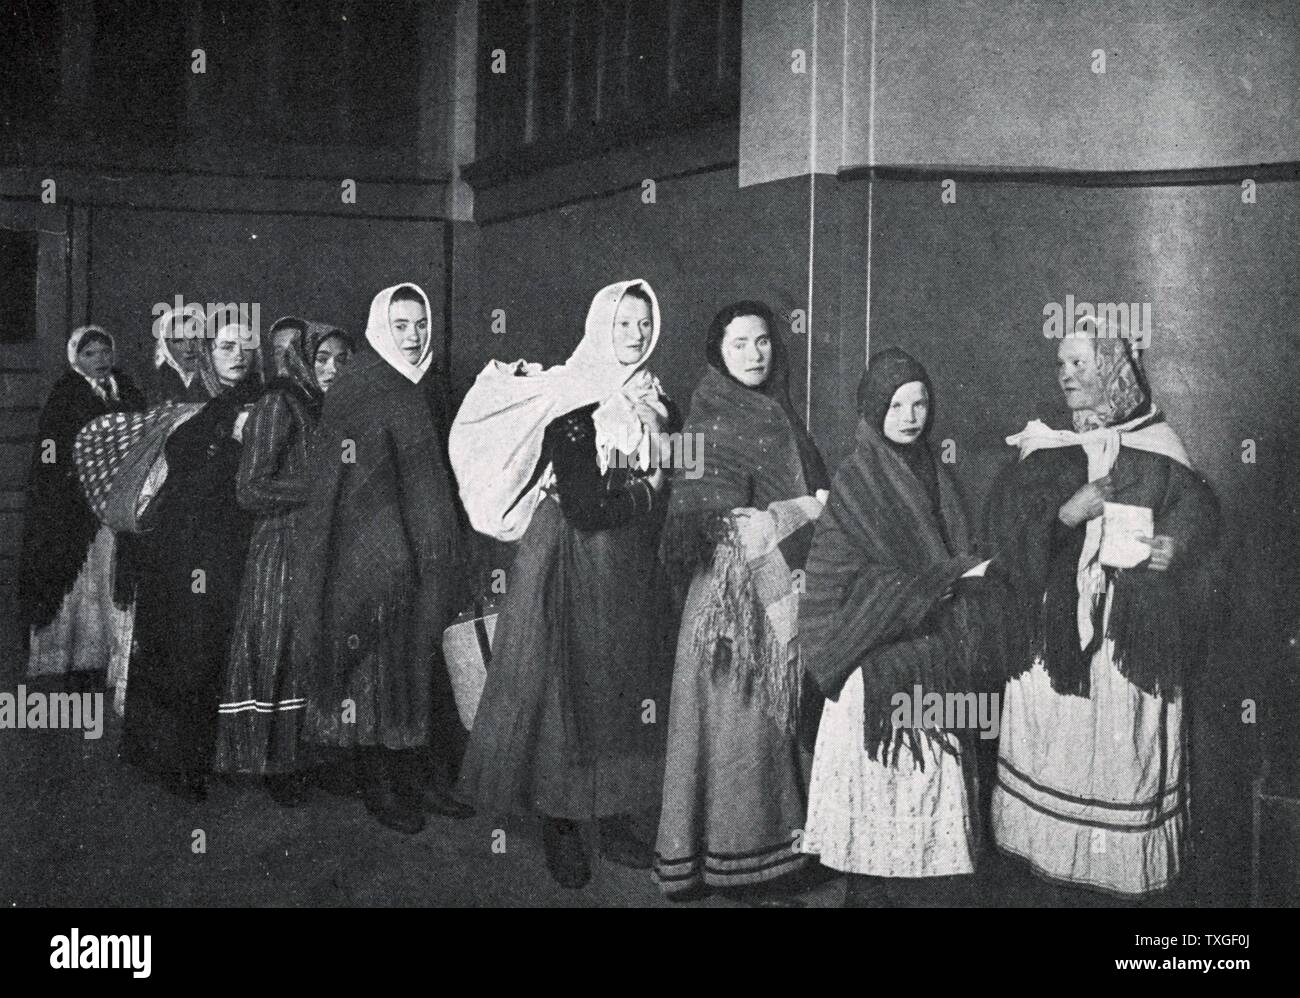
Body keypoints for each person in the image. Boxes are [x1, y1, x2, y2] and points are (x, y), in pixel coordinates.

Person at [452, 280, 675, 889]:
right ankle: (562, 824)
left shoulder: (655, 397)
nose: (633, 335)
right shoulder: (573, 396)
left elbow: (687, 471)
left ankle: (620, 815)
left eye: (642, 324)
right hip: (573, 559)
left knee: (627, 684)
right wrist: (653, 483)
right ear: (600, 325)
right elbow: (586, 505)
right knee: (566, 688)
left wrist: (664, 447)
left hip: (633, 566)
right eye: (622, 324)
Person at [984, 334, 1223, 899]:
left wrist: (1174, 546)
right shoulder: (1044, 445)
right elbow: (1003, 534)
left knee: (1121, 754)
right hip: (1056, 628)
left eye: (1080, 364)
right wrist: (1069, 513)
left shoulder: (1158, 445)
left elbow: (1199, 519)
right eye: (1061, 364)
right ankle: (1048, 855)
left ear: (1113, 371)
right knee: (1059, 747)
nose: (1066, 375)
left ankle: (1116, 869)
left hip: (1130, 631)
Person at [799, 348, 994, 907]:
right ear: (873, 409)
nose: (910, 416)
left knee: (924, 821)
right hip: (868, 653)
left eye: (920, 403)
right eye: (896, 405)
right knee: (875, 822)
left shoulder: (934, 468)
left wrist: (954, 578)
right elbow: (845, 583)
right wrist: (937, 582)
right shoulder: (857, 476)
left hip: (926, 647)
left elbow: (951, 552)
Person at [652, 301, 829, 901]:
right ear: (717, 355)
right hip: (729, 593)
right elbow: (698, 516)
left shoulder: (777, 410)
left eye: (762, 342)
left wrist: (791, 513)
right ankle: (738, 858)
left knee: (776, 723)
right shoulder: (710, 416)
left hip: (776, 577)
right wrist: (782, 515)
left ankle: (780, 849)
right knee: (740, 726)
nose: (756, 354)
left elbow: (798, 496)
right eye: (740, 345)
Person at [294, 284, 469, 835]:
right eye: (401, 325)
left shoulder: (426, 384)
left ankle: (420, 777)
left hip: (429, 551)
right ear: (379, 327)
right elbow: (347, 484)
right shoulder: (361, 384)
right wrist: (389, 555)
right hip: (374, 556)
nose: (414, 336)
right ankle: (379, 784)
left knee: (422, 670)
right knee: (374, 674)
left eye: (420, 324)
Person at [121, 322, 262, 802]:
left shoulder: (258, 402)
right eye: (227, 346)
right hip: (178, 547)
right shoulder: (185, 403)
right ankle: (171, 759)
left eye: (247, 346)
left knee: (215, 649)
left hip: (230, 543)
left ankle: (207, 758)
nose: (238, 354)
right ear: (208, 352)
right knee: (179, 649)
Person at [214, 321, 352, 805]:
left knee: (308, 654)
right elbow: (249, 488)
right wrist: (319, 492)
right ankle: (269, 765)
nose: (333, 368)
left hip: (320, 545)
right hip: (282, 545)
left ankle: (301, 759)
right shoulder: (279, 402)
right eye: (323, 359)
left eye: (341, 359)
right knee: (278, 649)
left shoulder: (328, 407)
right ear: (303, 361)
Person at [17, 325, 146, 684]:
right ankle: (74, 661)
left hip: (120, 497)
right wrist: (72, 479)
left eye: (105, 352)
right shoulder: (66, 395)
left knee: (116, 573)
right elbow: (51, 452)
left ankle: (111, 658)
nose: (101, 360)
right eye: (90, 354)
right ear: (76, 358)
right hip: (76, 504)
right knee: (83, 574)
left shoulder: (126, 388)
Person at [151, 304, 211, 402]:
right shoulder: (155, 385)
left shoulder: (222, 379)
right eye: (178, 341)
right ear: (165, 347)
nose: (189, 348)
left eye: (195, 339)